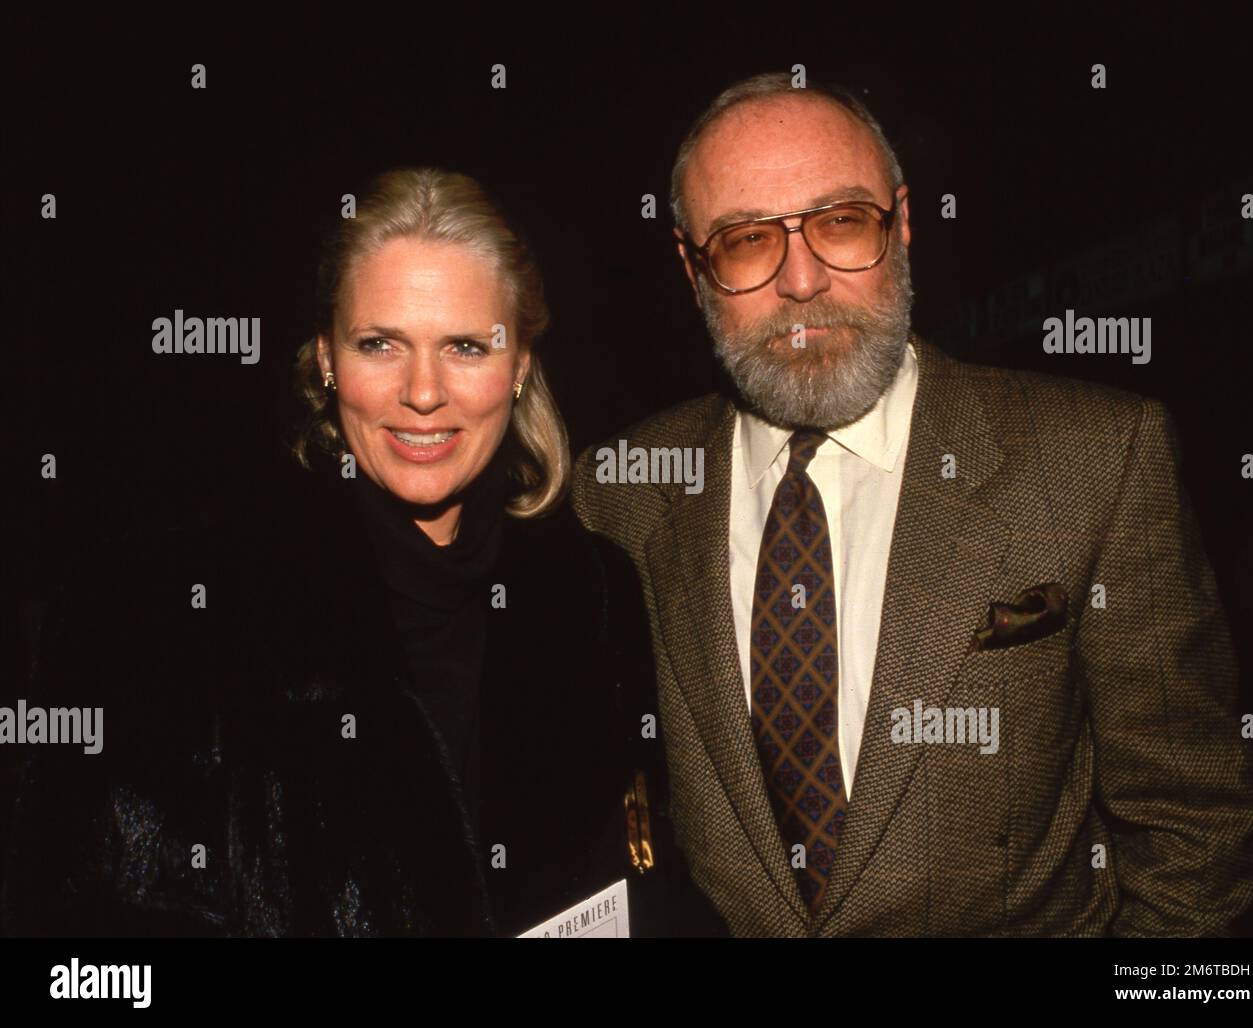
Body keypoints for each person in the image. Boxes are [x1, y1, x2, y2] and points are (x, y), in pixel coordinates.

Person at [570, 73, 1253, 937]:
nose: (802, 279)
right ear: (693, 266)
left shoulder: (1096, 460)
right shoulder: (616, 494)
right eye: (747, 239)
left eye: (840, 222)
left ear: (901, 225)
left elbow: (1195, 829)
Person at [1, 167, 724, 938]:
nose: (421, 392)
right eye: (379, 344)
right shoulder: (157, 611)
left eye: (467, 347)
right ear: (325, 360)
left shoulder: (595, 592)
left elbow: (651, 884)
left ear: (518, 370)